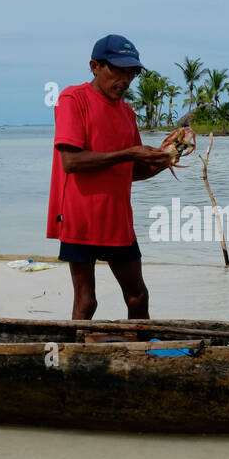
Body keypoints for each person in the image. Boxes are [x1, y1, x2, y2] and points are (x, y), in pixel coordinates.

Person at [46, 35, 173, 320]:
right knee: (87, 302)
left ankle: (139, 357)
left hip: (117, 220)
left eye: (132, 73)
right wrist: (128, 153)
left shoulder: (127, 113)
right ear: (95, 66)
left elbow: (132, 172)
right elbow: (71, 161)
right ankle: (73, 355)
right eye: (118, 70)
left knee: (137, 296)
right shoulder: (72, 98)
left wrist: (165, 161)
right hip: (80, 218)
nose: (125, 80)